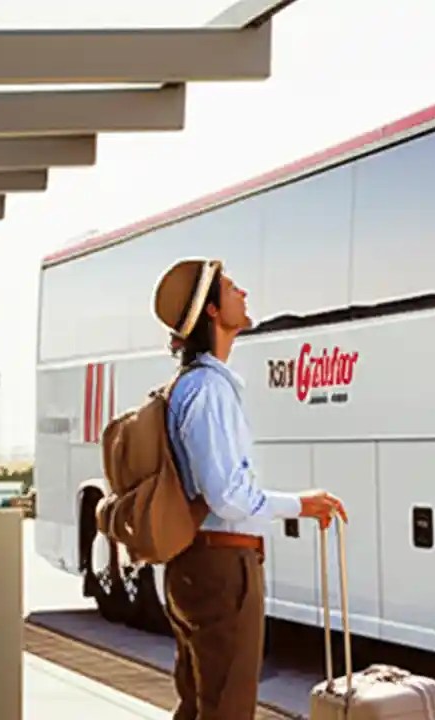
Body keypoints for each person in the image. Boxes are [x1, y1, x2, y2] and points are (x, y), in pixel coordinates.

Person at [152, 257, 348, 719]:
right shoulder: (208, 390)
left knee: (200, 708)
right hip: (221, 566)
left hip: (200, 563)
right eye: (233, 288)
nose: (245, 295)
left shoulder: (191, 385)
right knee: (227, 710)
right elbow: (227, 496)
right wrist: (302, 504)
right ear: (213, 312)